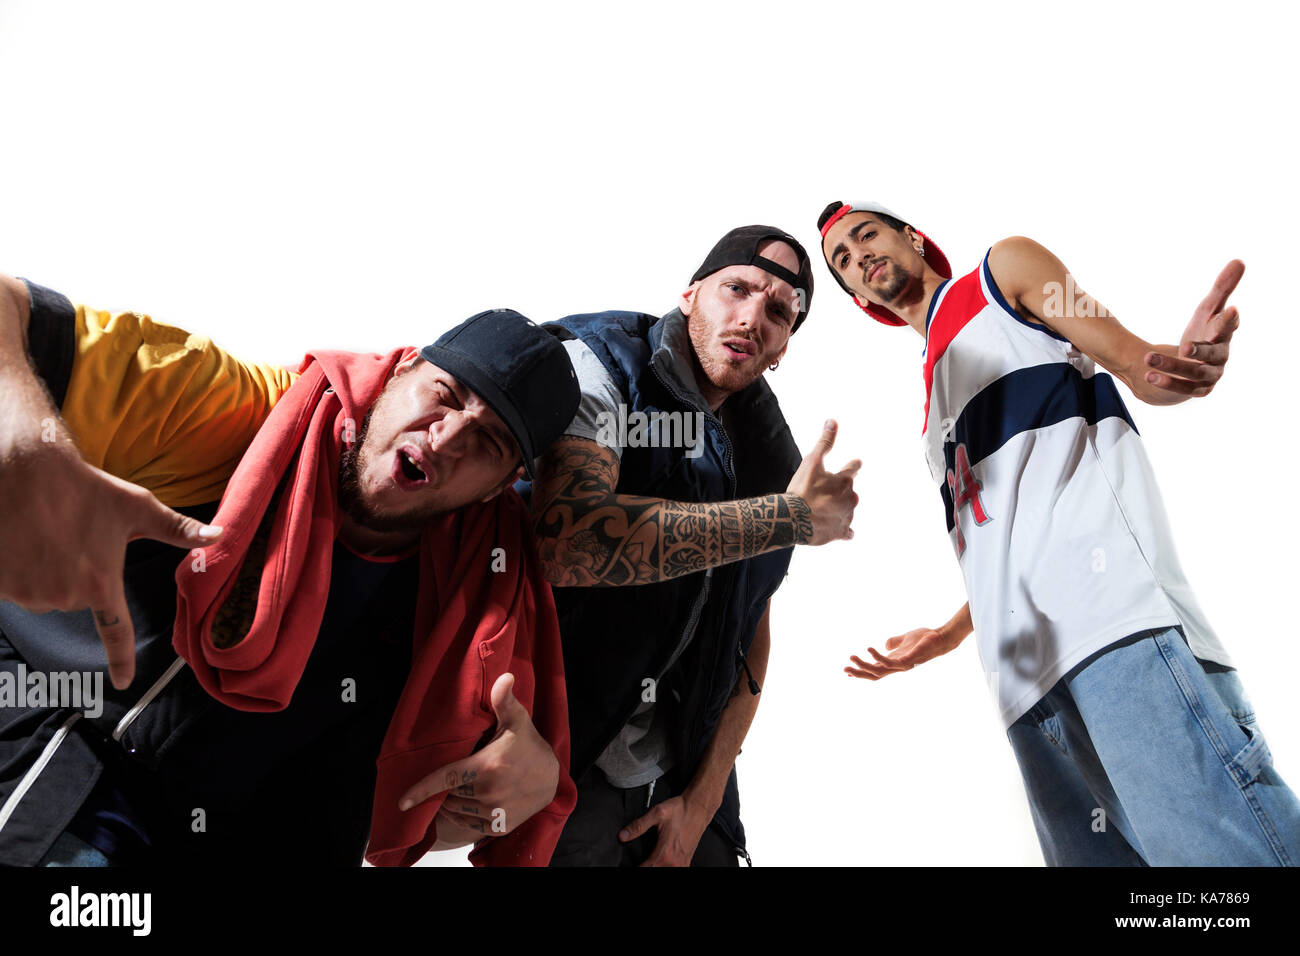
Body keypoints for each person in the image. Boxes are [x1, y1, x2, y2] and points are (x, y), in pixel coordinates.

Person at [0, 275, 579, 867]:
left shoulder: (478, 584)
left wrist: (525, 783)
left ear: (500, 489)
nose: (448, 438)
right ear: (402, 368)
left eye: (489, 442)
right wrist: (29, 454)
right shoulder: (233, 413)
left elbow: (422, 818)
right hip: (58, 735)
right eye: (448, 395)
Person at [819, 199, 1300, 866]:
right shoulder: (930, 408)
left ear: (909, 236)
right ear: (856, 297)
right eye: (842, 260)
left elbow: (1138, 364)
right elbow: (1008, 535)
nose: (858, 255)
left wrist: (1185, 364)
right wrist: (954, 630)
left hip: (1110, 629)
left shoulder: (1001, 273)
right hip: (1022, 685)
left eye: (865, 235)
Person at [526, 225, 860, 866]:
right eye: (736, 289)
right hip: (561, 765)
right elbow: (564, 539)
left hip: (688, 787)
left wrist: (704, 799)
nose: (751, 318)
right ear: (690, 294)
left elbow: (750, 631)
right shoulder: (601, 366)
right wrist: (783, 519)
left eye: (778, 311)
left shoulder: (768, 452)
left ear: (784, 345)